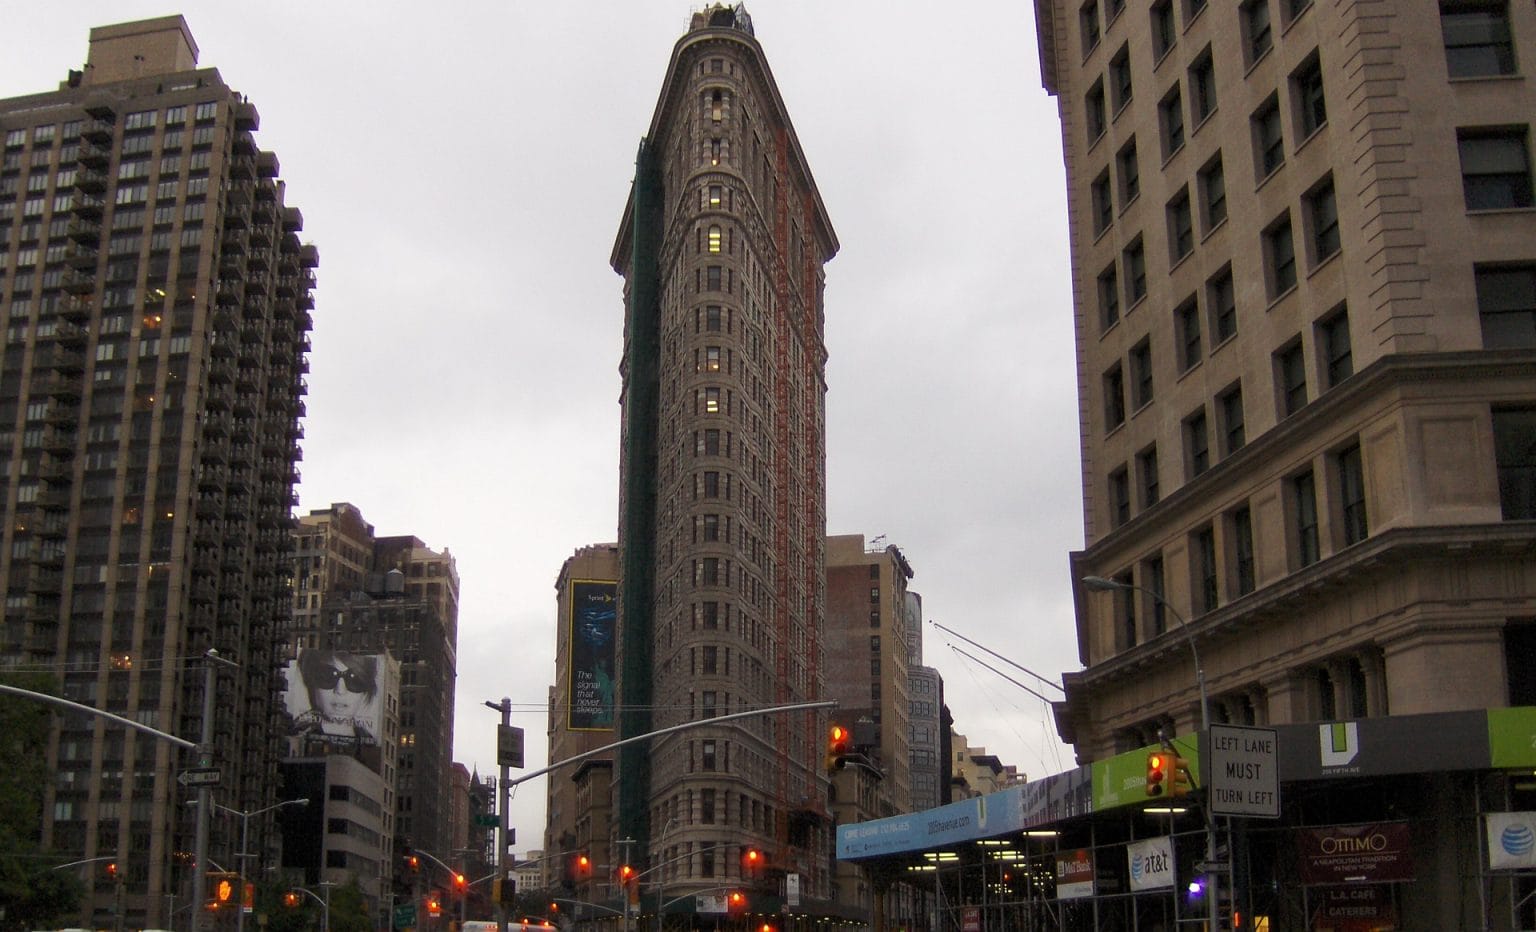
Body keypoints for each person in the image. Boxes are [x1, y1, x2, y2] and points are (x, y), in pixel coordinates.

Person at [290, 650, 379, 744]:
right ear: (311, 682)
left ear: (366, 689)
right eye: (327, 676)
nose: (340, 691)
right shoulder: (297, 734)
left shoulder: (369, 741)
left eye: (354, 680)